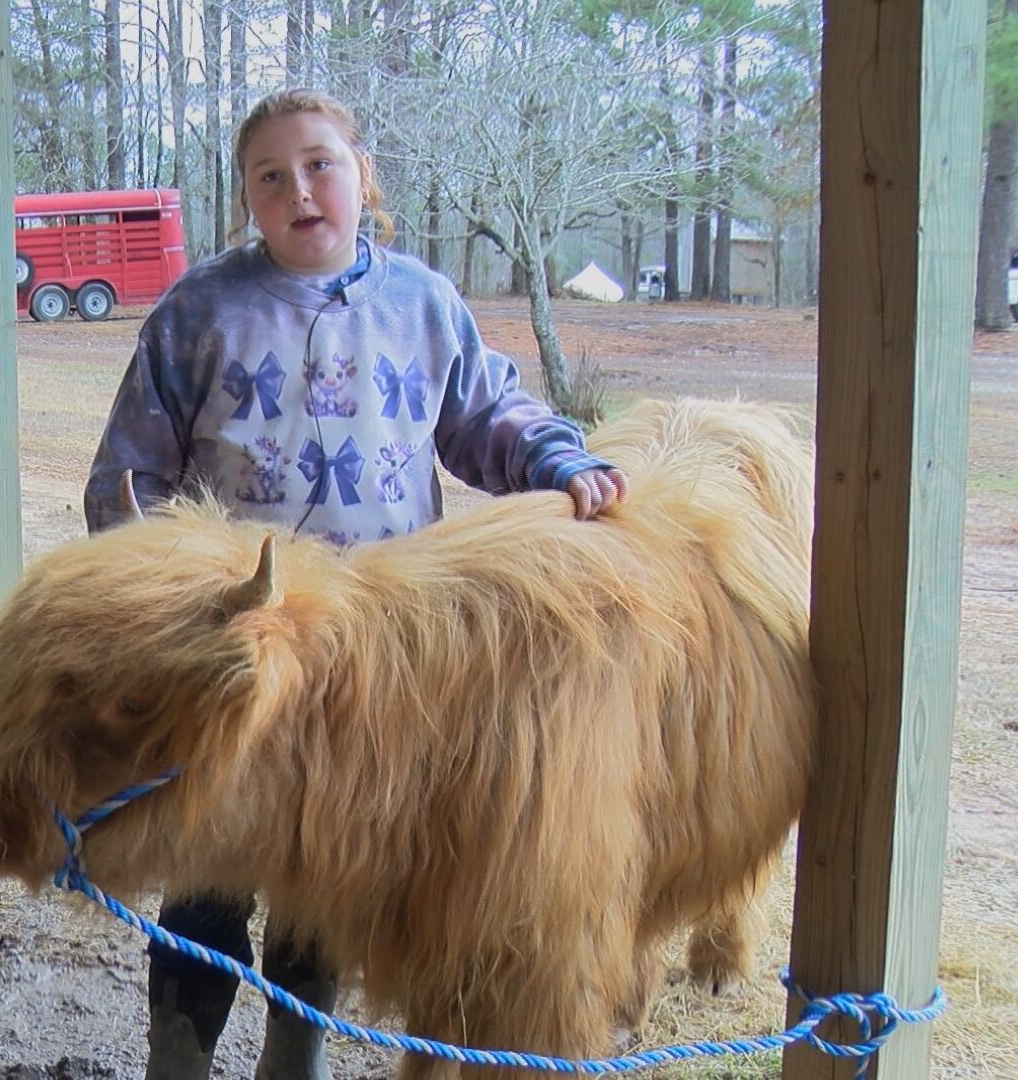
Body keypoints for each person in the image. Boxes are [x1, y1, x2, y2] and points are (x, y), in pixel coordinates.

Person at [82, 88, 629, 1080]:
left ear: (361, 175)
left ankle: (299, 1056)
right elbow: (127, 480)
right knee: (207, 879)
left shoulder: (420, 304)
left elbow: (487, 416)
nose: (300, 189)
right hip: (235, 658)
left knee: (333, 874)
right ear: (247, 198)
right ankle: (178, 1057)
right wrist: (161, 606)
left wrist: (556, 460)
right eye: (270, 176)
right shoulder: (201, 311)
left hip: (372, 659)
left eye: (320, 164)